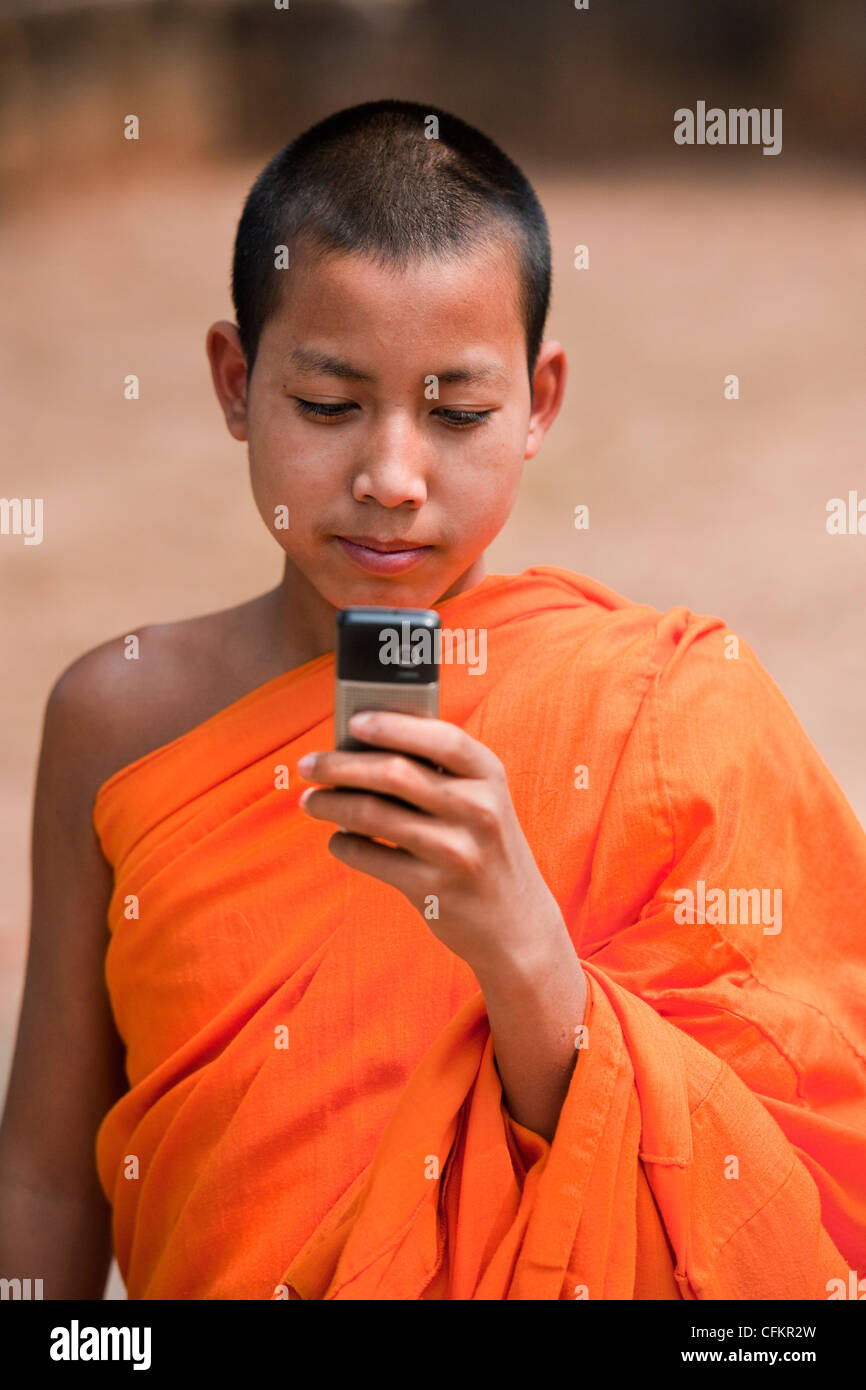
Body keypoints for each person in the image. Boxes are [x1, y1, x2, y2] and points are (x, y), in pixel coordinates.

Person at [1, 98, 864, 1301]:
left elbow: (783, 1189)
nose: (390, 479)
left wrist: (520, 945)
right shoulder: (118, 715)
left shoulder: (658, 712)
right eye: (326, 404)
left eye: (457, 413)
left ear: (538, 405)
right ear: (233, 381)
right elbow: (44, 1178)